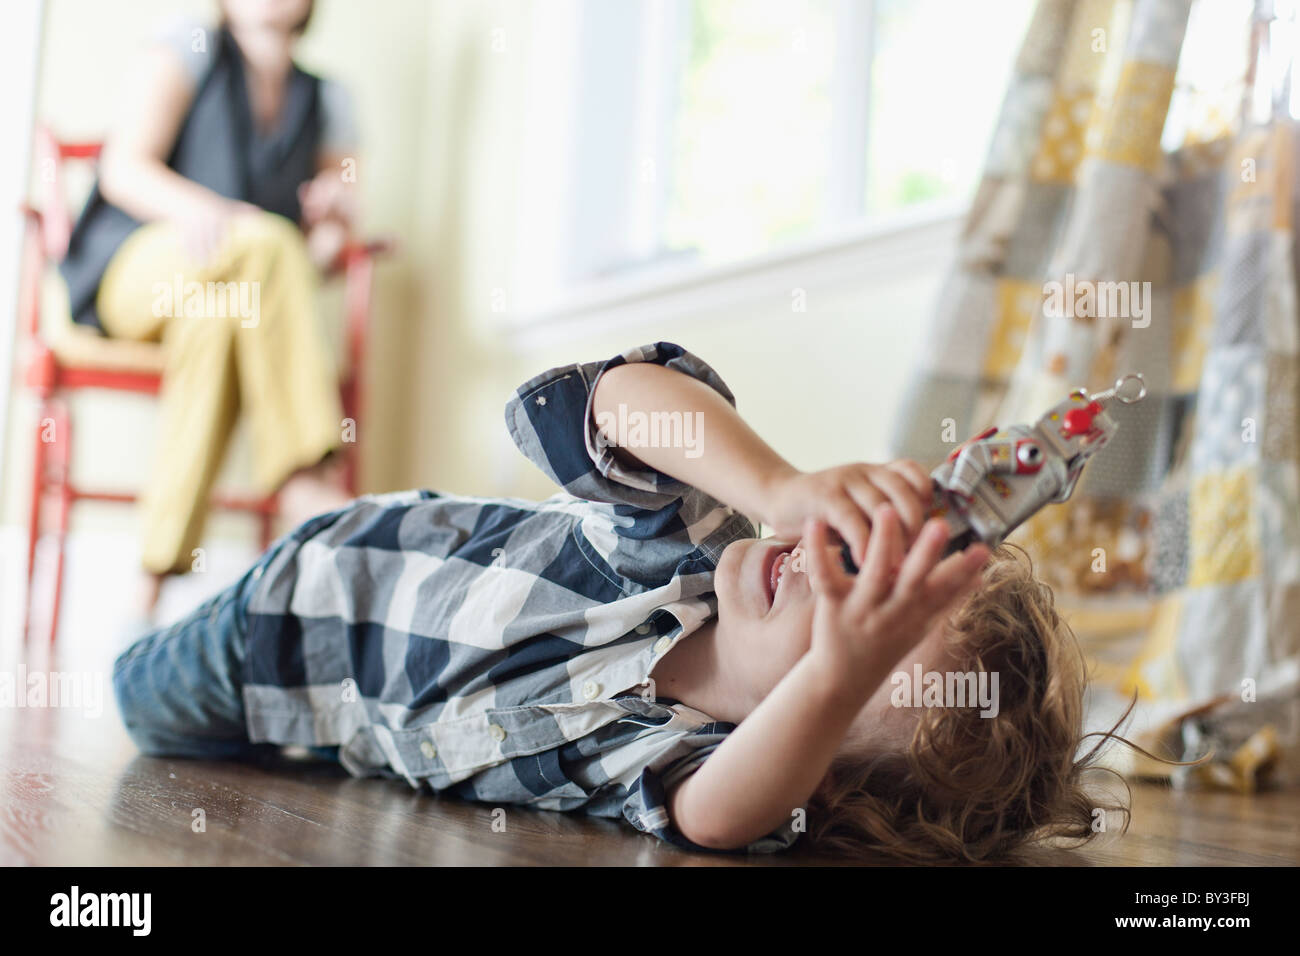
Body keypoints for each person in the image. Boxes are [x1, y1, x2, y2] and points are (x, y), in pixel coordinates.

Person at [111, 342, 1132, 861]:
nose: (826, 575)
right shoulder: (685, 540)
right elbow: (608, 396)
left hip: (323, 713)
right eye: (862, 563)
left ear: (817, 760)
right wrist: (778, 487)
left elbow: (719, 821)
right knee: (140, 701)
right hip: (294, 599)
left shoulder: (678, 760)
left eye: (853, 649)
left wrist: (835, 672)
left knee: (218, 744)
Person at [59, 0, 357, 615]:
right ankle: (306, 480)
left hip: (228, 294)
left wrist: (329, 225)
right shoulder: (189, 42)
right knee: (266, 240)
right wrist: (210, 214)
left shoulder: (329, 100)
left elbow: (317, 257)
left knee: (223, 319)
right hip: (135, 275)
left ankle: (149, 587)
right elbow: (123, 169)